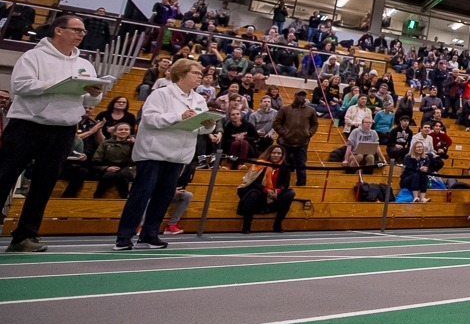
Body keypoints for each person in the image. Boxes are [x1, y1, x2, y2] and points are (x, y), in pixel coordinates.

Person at [0, 15, 106, 252]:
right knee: (4, 176)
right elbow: (20, 86)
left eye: (83, 31)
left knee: (44, 184)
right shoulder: (34, 57)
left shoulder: (84, 64)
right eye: (76, 29)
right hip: (27, 125)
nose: (81, 34)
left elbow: (90, 100)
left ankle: (25, 236)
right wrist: (59, 84)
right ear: (58, 30)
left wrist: (94, 93)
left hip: (63, 130)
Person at [113, 59, 216, 250]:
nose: (200, 77)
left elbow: (200, 127)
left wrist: (208, 125)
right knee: (141, 195)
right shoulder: (161, 93)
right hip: (154, 152)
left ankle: (150, 235)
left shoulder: (199, 99)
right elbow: (150, 118)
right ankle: (124, 237)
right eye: (195, 73)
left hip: (178, 154)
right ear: (181, 73)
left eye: (201, 74)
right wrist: (179, 116)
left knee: (164, 197)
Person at [236, 145, 296, 233]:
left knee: (290, 193)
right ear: (269, 154)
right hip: (260, 192)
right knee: (253, 194)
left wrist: (278, 190)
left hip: (275, 193)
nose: (276, 155)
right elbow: (252, 182)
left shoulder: (285, 166)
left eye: (279, 153)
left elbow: (285, 183)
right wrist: (266, 190)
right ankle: (246, 226)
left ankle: (277, 224)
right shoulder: (259, 164)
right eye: (274, 153)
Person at [273, 90, 319, 187]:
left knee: (301, 164)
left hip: (302, 142)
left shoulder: (311, 110)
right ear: (295, 96)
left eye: (303, 95)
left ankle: (301, 185)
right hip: (285, 142)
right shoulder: (285, 109)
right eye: (299, 95)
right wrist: (284, 133)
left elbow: (315, 124)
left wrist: (309, 133)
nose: (301, 97)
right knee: (283, 164)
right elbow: (276, 123)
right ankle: (282, 184)